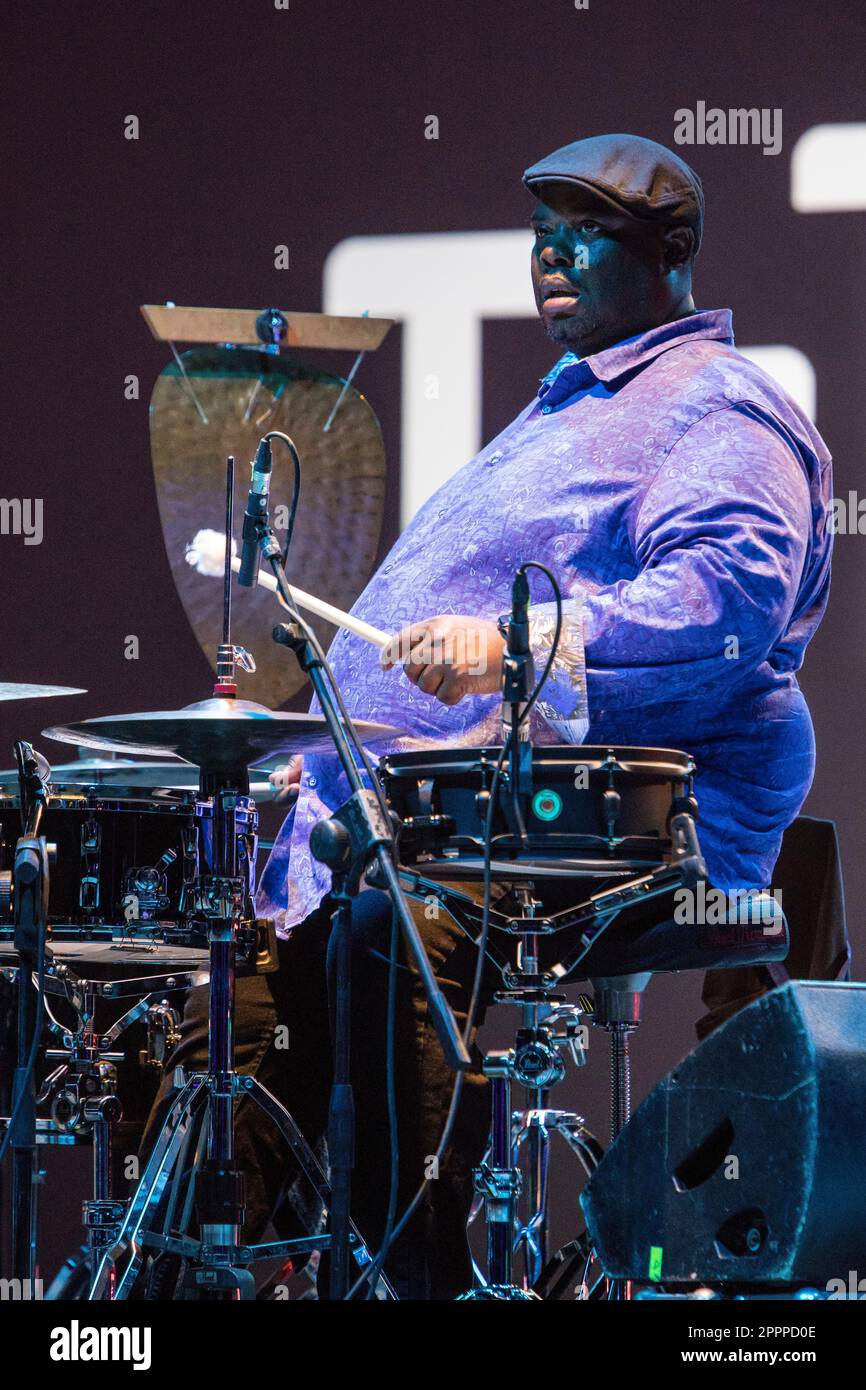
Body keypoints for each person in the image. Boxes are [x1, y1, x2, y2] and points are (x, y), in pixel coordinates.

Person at [145, 133, 833, 1299]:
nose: (549, 254)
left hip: (598, 834)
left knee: (383, 924)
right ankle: (212, 1276)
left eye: (586, 232)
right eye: (539, 232)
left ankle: (414, 1272)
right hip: (420, 823)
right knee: (221, 989)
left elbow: (728, 604)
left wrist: (524, 644)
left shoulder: (712, 405)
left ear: (669, 256)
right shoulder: (567, 407)